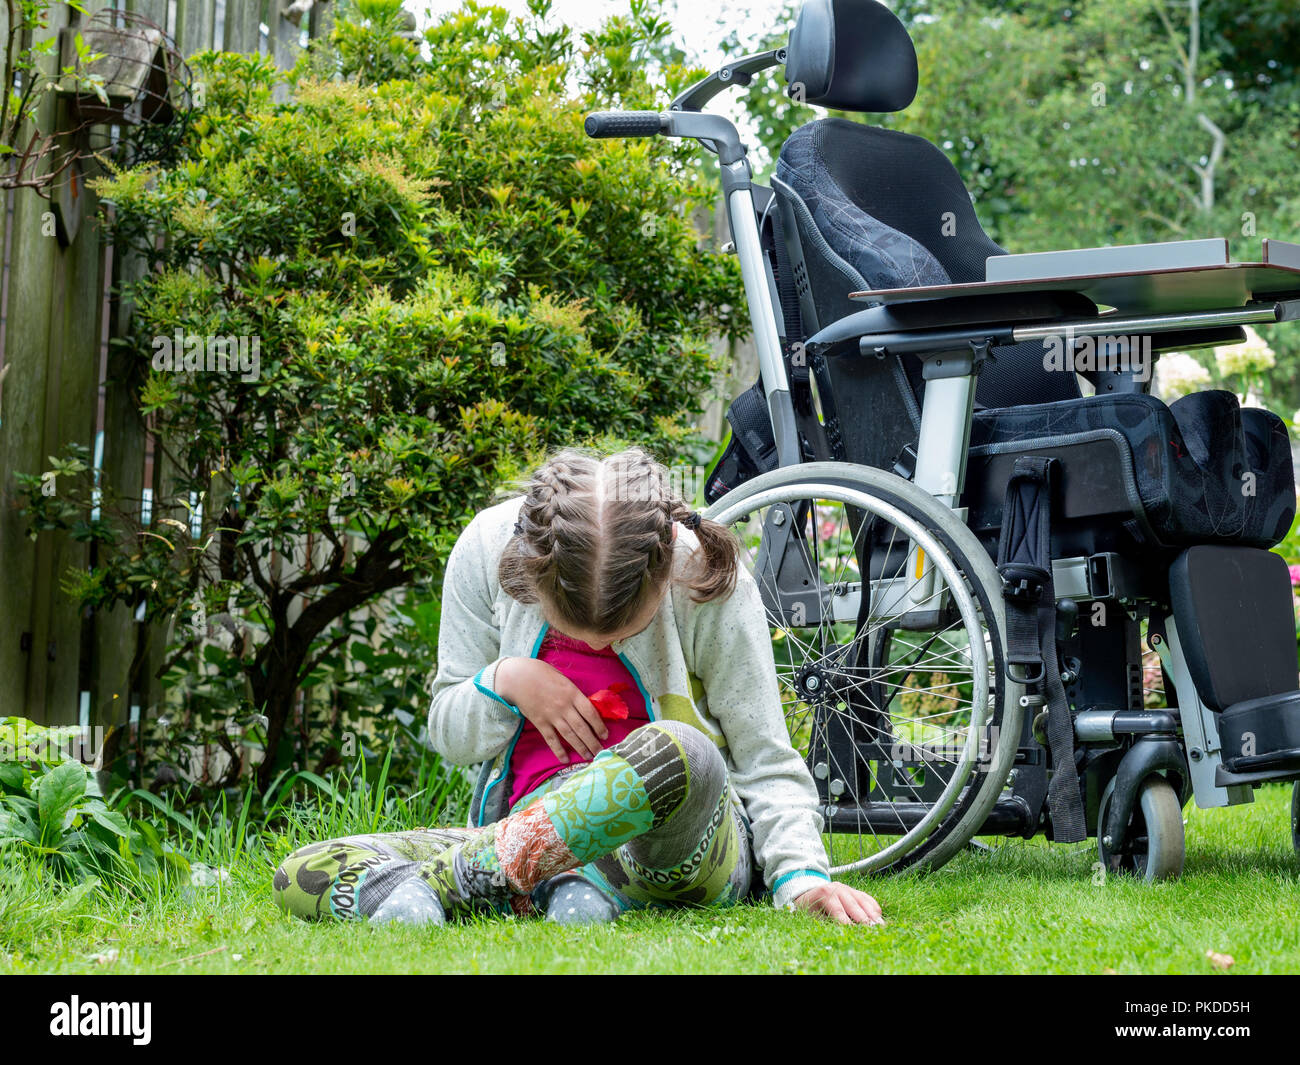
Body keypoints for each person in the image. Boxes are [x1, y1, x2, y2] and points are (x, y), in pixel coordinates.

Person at [273, 447, 884, 927]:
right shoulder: (488, 547)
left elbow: (763, 754)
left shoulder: (702, 573)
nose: (597, 648)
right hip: (526, 837)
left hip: (678, 853)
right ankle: (557, 884)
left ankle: (452, 885)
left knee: (680, 751)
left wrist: (800, 877)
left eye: (623, 629)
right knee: (304, 871)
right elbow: (449, 733)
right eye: (578, 629)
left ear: (665, 562)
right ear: (529, 573)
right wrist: (505, 681)